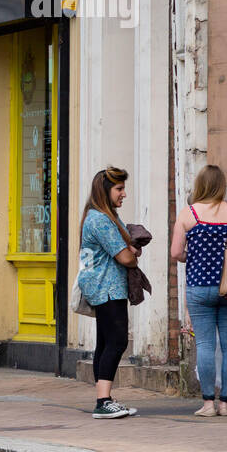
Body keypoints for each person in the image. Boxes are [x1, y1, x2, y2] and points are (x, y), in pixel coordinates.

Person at [169, 164, 227, 417]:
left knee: (204, 344)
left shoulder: (188, 214)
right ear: (221, 185)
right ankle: (226, 403)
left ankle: (207, 404)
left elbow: (176, 252)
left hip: (199, 287)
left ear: (200, 185)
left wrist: (193, 256)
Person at [79, 166, 141, 419]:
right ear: (105, 191)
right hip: (107, 288)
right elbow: (125, 257)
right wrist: (133, 252)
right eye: (119, 188)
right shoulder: (101, 220)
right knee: (117, 341)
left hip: (102, 287)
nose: (124, 194)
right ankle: (103, 401)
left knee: (105, 343)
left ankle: (105, 398)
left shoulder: (97, 216)